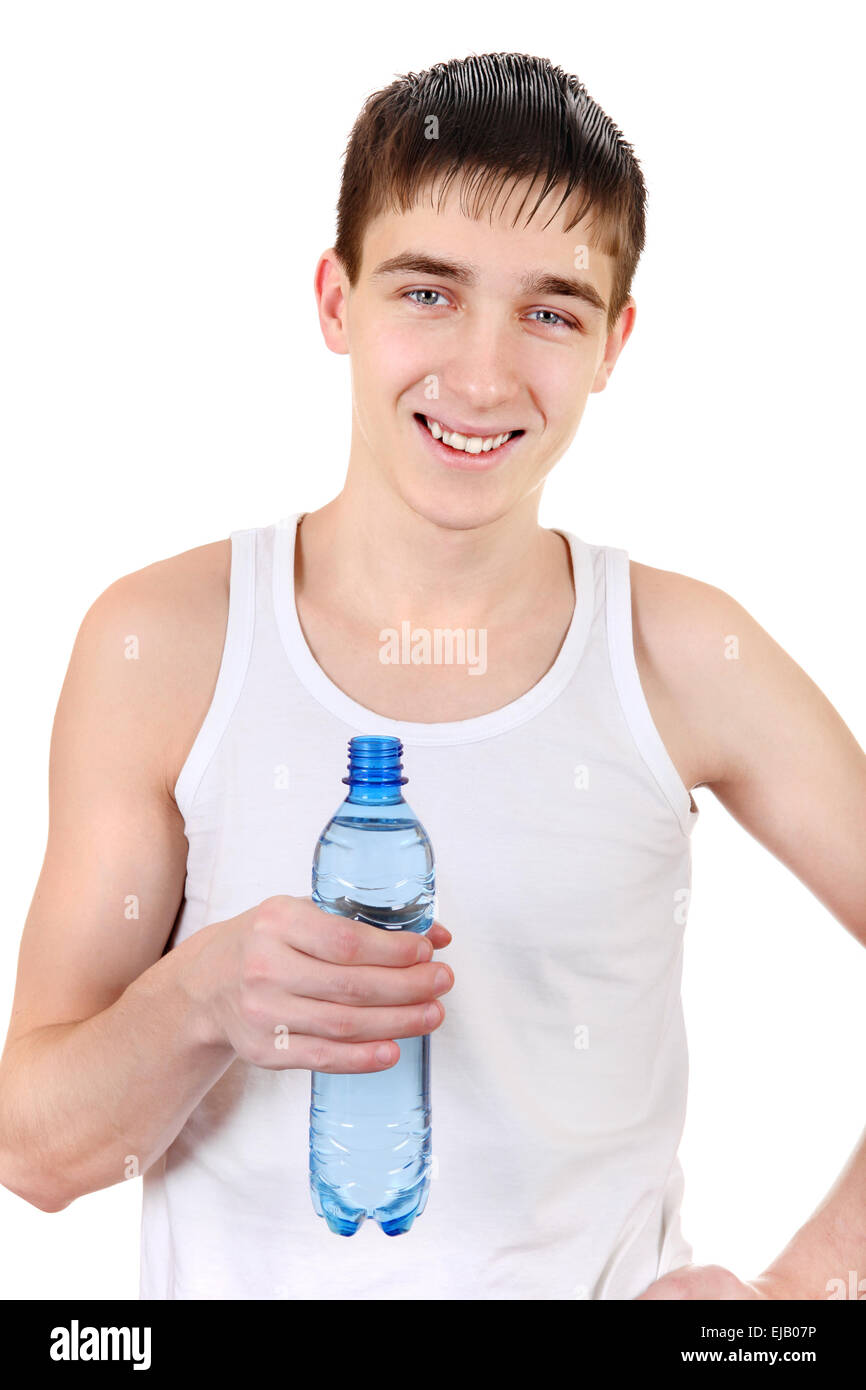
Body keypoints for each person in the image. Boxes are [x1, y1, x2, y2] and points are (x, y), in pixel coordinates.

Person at [1, 51, 864, 1302]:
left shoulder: (681, 654)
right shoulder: (165, 643)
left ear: (612, 344)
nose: (479, 376)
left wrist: (792, 1303)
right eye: (427, 291)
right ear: (334, 300)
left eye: (550, 312)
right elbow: (35, 1153)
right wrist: (197, 1000)